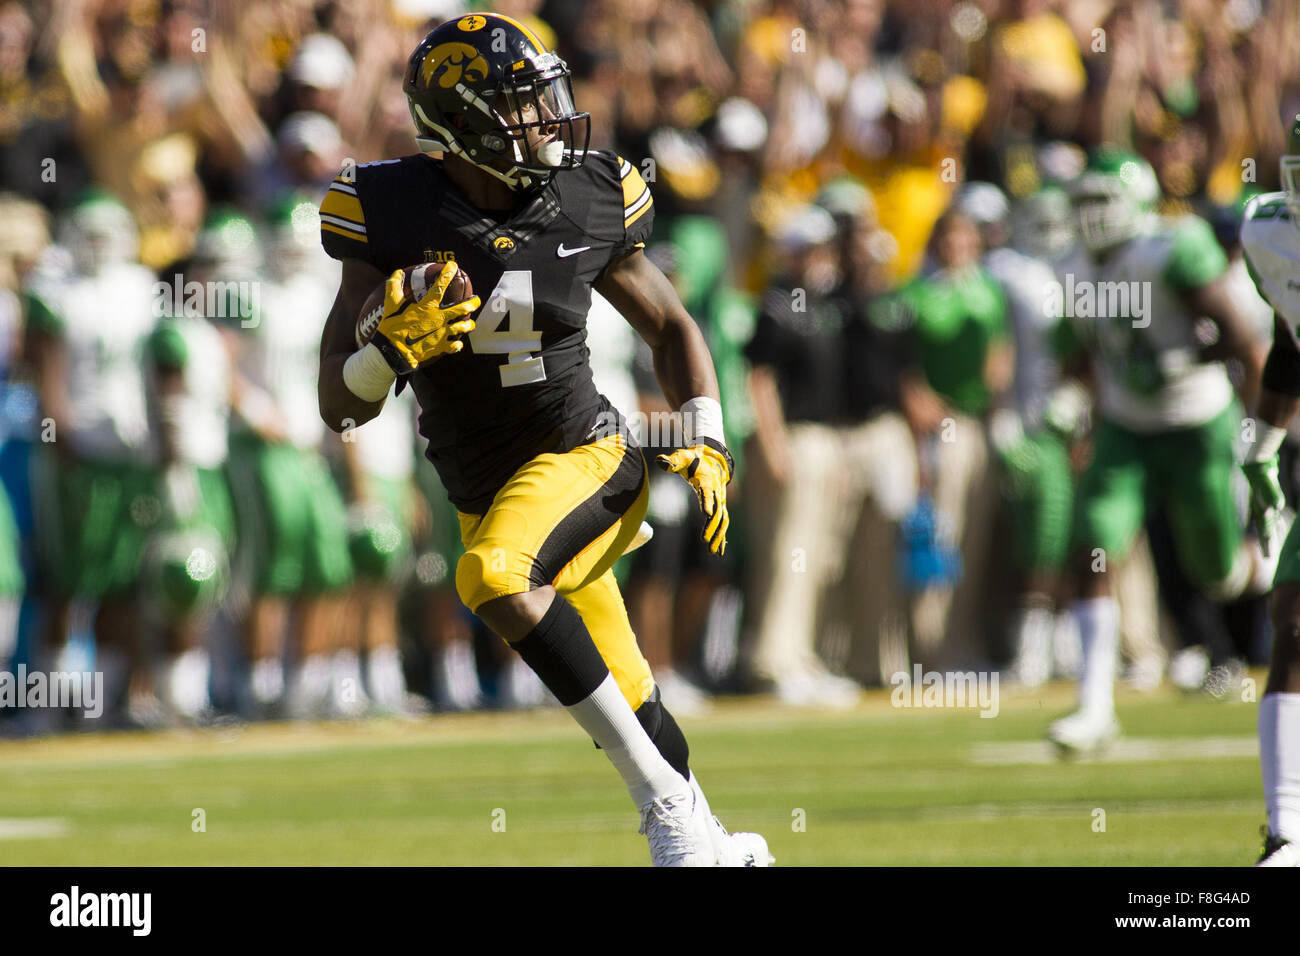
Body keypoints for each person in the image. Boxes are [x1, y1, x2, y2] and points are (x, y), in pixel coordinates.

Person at [315, 12, 768, 867]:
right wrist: (384, 354)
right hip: (485, 492)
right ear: (465, 123)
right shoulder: (387, 209)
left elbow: (671, 323)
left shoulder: (592, 190)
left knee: (494, 578)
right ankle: (723, 848)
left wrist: (706, 431)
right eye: (523, 106)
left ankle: (669, 816)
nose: (548, 119)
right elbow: (339, 405)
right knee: (633, 709)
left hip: (587, 457)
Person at [1048, 147, 1270, 753]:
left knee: (1216, 572)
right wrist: (1072, 398)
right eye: (1081, 204)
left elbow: (1244, 343)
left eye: (1101, 203)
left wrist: (1257, 436)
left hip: (1196, 421)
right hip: (1126, 427)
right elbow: (1077, 354)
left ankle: (1261, 560)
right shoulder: (1072, 267)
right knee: (1094, 545)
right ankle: (1094, 707)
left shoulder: (1170, 250)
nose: (1090, 218)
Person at [1238, 115, 1300, 866]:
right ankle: (1287, 833)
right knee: (1292, 617)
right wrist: (1263, 437)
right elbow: (1291, 336)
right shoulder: (1271, 235)